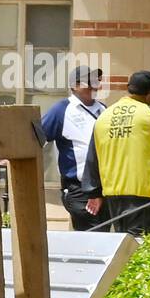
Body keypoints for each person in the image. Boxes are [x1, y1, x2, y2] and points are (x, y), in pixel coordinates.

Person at [81, 70, 150, 236]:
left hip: (113, 196)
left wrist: (93, 192)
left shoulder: (105, 117)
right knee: (142, 249)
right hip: (145, 197)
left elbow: (93, 158)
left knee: (123, 246)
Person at [40, 66, 106, 230]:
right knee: (92, 235)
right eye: (88, 81)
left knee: (105, 236)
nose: (93, 85)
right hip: (80, 189)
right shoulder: (61, 110)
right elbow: (37, 137)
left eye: (96, 81)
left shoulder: (104, 109)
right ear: (75, 85)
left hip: (105, 188)